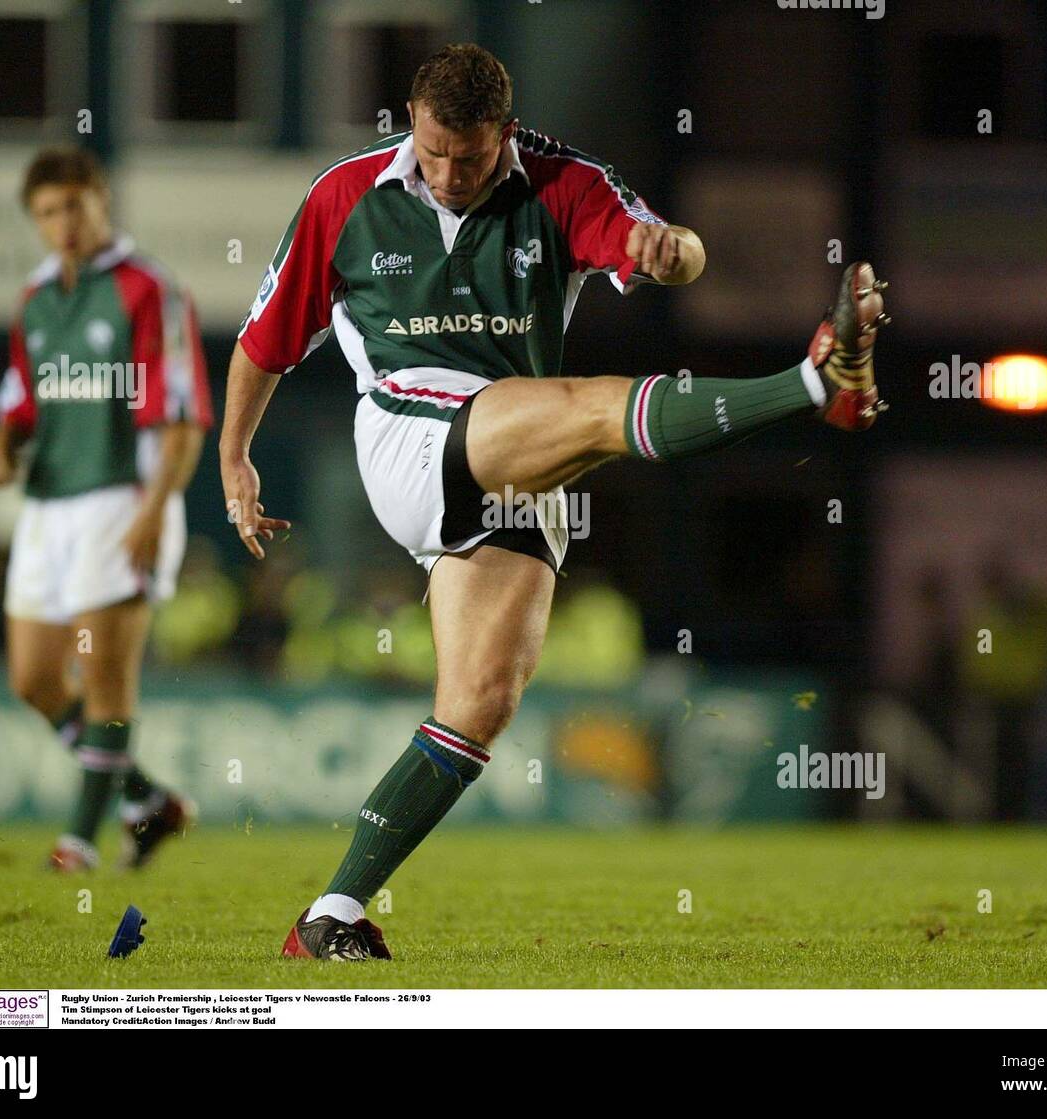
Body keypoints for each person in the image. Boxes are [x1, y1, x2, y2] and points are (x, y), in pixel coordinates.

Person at [219, 44, 888, 960]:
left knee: (480, 702)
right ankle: (815, 388)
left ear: (507, 131)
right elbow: (264, 342)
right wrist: (234, 459)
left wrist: (671, 251)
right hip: (409, 440)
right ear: (412, 121)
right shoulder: (346, 196)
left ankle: (329, 912)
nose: (453, 174)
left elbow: (679, 253)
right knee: (594, 407)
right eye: (437, 151)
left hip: (515, 456)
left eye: (474, 155)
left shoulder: (567, 183)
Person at [0, 147, 213, 871]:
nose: (63, 223)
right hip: (50, 501)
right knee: (35, 679)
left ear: (101, 201)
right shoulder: (37, 297)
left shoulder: (149, 289)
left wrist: (154, 509)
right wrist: (1, 444)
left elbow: (181, 411)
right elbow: (20, 395)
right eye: (48, 212)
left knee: (106, 678)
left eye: (74, 206)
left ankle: (77, 841)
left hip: (122, 497)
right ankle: (148, 801)